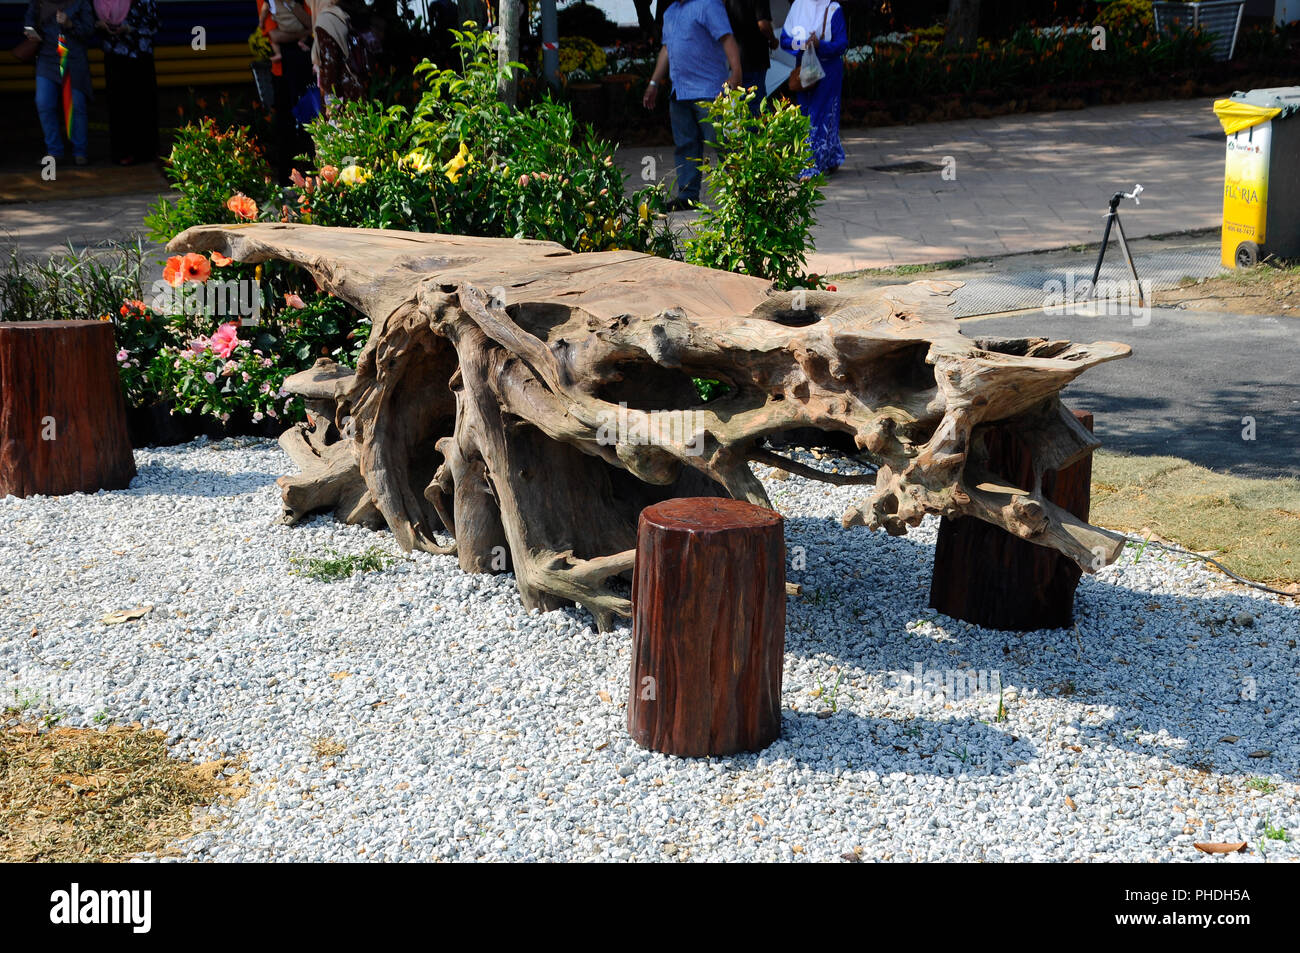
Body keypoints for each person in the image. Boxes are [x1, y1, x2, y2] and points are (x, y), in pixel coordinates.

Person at [642, 0, 742, 212]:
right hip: (680, 90)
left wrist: (736, 71)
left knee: (723, 143)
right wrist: (653, 83)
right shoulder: (670, 12)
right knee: (686, 144)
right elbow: (667, 49)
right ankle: (687, 196)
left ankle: (740, 193)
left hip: (709, 89)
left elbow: (727, 38)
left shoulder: (708, 5)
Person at [24, 0, 95, 165]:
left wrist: (70, 24)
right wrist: (29, 31)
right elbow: (29, 20)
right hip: (47, 59)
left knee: (77, 106)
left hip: (73, 59)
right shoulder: (39, 1)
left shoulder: (80, 2)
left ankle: (80, 151)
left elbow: (90, 30)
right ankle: (54, 151)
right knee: (43, 103)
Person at [780, 0, 847, 176]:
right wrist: (803, 44)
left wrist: (820, 45)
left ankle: (810, 165)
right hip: (805, 68)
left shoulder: (833, 8)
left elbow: (841, 44)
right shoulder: (798, 6)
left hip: (828, 71)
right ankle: (830, 158)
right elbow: (785, 42)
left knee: (821, 114)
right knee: (806, 114)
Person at [95, 0, 159, 166]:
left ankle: (145, 151)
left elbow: (154, 24)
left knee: (143, 103)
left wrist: (129, 29)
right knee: (119, 105)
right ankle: (122, 152)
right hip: (115, 56)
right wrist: (100, 25)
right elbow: (88, 22)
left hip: (140, 56)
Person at [261, 0, 313, 184]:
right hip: (282, 71)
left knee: (310, 121)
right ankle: (287, 179)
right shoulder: (266, 2)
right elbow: (275, 35)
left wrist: (301, 31)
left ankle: (313, 176)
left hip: (305, 67)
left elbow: (311, 23)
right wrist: (303, 33)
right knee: (286, 124)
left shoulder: (299, 2)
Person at [724, 0, 776, 115]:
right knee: (756, 105)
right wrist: (773, 40)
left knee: (741, 105)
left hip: (736, 59)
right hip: (755, 57)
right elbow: (763, 25)